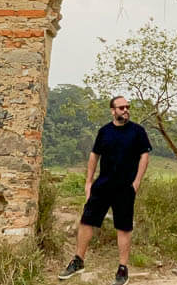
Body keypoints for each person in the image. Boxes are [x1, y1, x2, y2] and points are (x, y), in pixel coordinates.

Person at [57, 95, 152, 285]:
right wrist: (88, 182)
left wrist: (136, 182)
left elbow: (144, 156)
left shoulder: (137, 131)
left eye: (127, 107)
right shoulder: (104, 131)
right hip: (103, 185)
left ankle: (122, 269)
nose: (126, 110)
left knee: (123, 227)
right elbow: (94, 155)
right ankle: (78, 261)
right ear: (113, 111)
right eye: (121, 107)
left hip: (125, 187)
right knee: (86, 220)